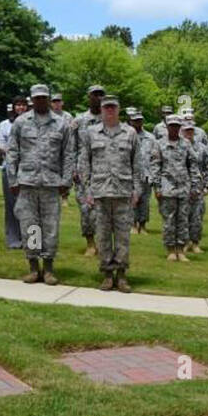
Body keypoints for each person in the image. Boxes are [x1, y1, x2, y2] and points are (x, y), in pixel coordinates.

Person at [7, 84, 72, 284]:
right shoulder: (21, 122)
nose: (40, 101)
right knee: (31, 226)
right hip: (27, 183)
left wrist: (66, 181)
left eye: (44, 98)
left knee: (50, 226)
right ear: (31, 100)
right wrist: (12, 179)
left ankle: (49, 268)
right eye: (37, 98)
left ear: (49, 99)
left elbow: (68, 154)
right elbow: (12, 151)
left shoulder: (61, 123)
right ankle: (34, 267)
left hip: (51, 184)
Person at [79, 96, 142, 291]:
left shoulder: (130, 133)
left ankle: (122, 275)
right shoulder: (90, 133)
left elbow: (138, 164)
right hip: (100, 192)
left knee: (123, 236)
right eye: (106, 107)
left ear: (119, 109)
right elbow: (84, 163)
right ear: (101, 109)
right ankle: (107, 273)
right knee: (103, 235)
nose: (109, 111)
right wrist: (87, 189)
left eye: (113, 107)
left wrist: (137, 190)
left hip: (123, 192)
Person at [149, 114, 194, 262]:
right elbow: (155, 166)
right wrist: (157, 187)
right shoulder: (159, 144)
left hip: (183, 187)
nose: (174, 128)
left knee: (183, 219)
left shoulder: (186, 144)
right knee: (169, 220)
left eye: (177, 126)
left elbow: (193, 166)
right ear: (167, 127)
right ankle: (170, 250)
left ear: (180, 127)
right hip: (166, 187)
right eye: (171, 126)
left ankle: (180, 250)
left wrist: (195, 186)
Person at [71, 86, 105, 256]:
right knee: (86, 208)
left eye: (101, 95)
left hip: (105, 171)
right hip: (83, 172)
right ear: (88, 97)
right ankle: (90, 243)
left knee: (104, 210)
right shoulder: (79, 120)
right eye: (95, 94)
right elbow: (71, 147)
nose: (98, 98)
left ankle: (103, 242)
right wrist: (72, 169)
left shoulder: (110, 119)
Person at [0, 97, 28, 248]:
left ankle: (31, 240)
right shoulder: (5, 125)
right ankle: (13, 239)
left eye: (23, 105)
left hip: (29, 171)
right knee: (11, 205)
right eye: (18, 105)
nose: (20, 108)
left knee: (30, 207)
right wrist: (14, 153)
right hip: (9, 169)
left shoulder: (31, 124)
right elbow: (1, 146)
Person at [187, 120, 208, 253]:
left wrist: (207, 186)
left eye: (191, 130)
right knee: (182, 217)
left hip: (198, 188)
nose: (188, 133)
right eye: (186, 130)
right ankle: (184, 242)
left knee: (197, 216)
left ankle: (195, 243)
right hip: (181, 188)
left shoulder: (202, 148)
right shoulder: (178, 146)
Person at [129, 109, 156, 234]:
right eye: (135, 121)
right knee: (133, 199)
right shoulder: (127, 136)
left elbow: (155, 157)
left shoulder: (150, 137)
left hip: (146, 174)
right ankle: (133, 224)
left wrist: (153, 174)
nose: (137, 123)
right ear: (131, 121)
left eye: (139, 120)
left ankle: (143, 225)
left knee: (145, 201)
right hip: (131, 174)